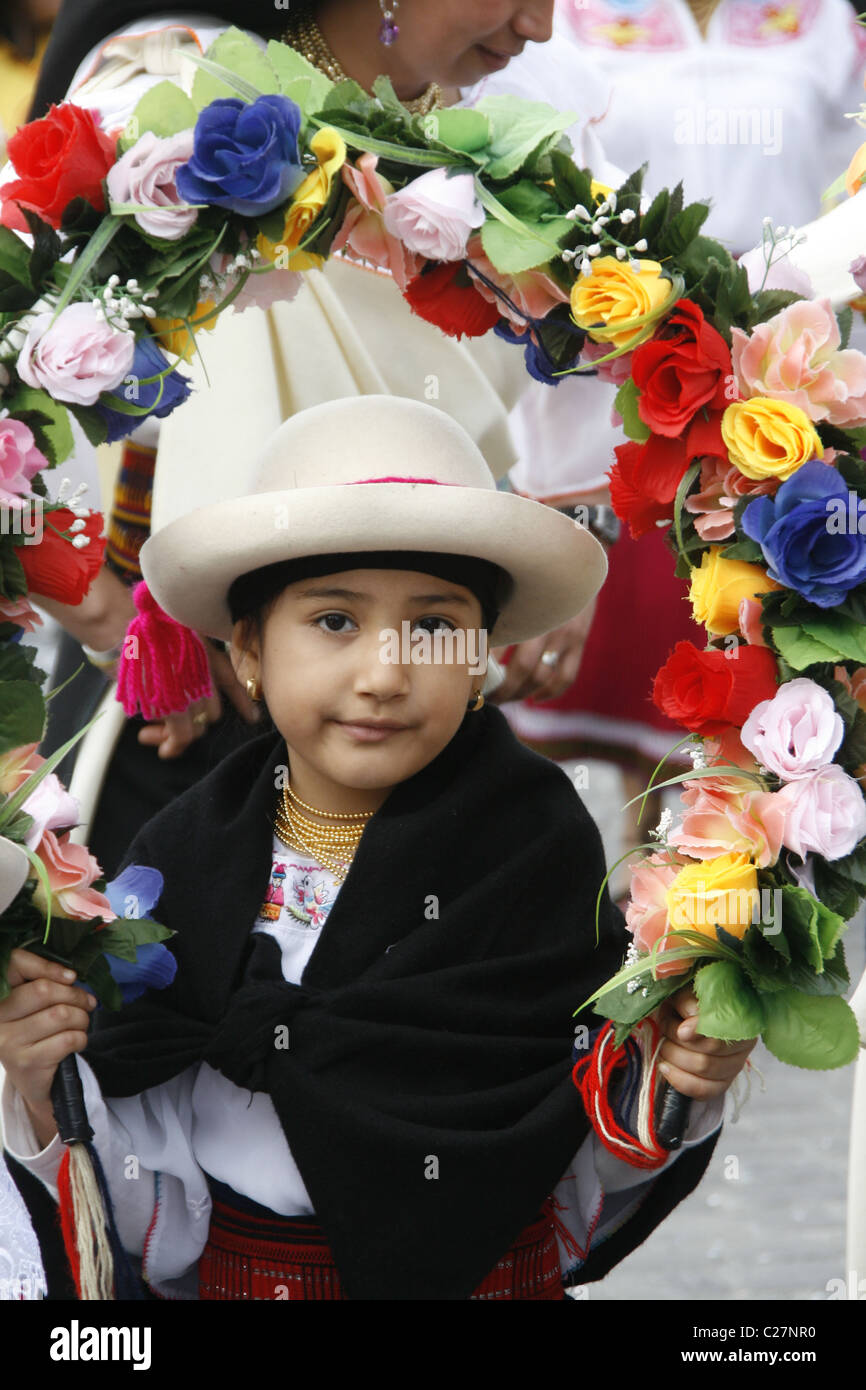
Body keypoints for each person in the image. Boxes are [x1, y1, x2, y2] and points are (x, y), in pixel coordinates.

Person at [0, 396, 757, 1300]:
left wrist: (679, 1081)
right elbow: (145, 1205)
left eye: (433, 627)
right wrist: (43, 1085)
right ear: (247, 648)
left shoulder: (537, 856)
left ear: (480, 655)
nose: (384, 674)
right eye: (333, 621)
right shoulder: (186, 859)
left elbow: (573, 1162)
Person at [22, 0, 617, 884]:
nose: (536, 25)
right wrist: (120, 622)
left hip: (435, 670)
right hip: (190, 691)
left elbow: (589, 345)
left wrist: (558, 554)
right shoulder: (177, 91)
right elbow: (22, 372)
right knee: (176, 959)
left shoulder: (532, 108)